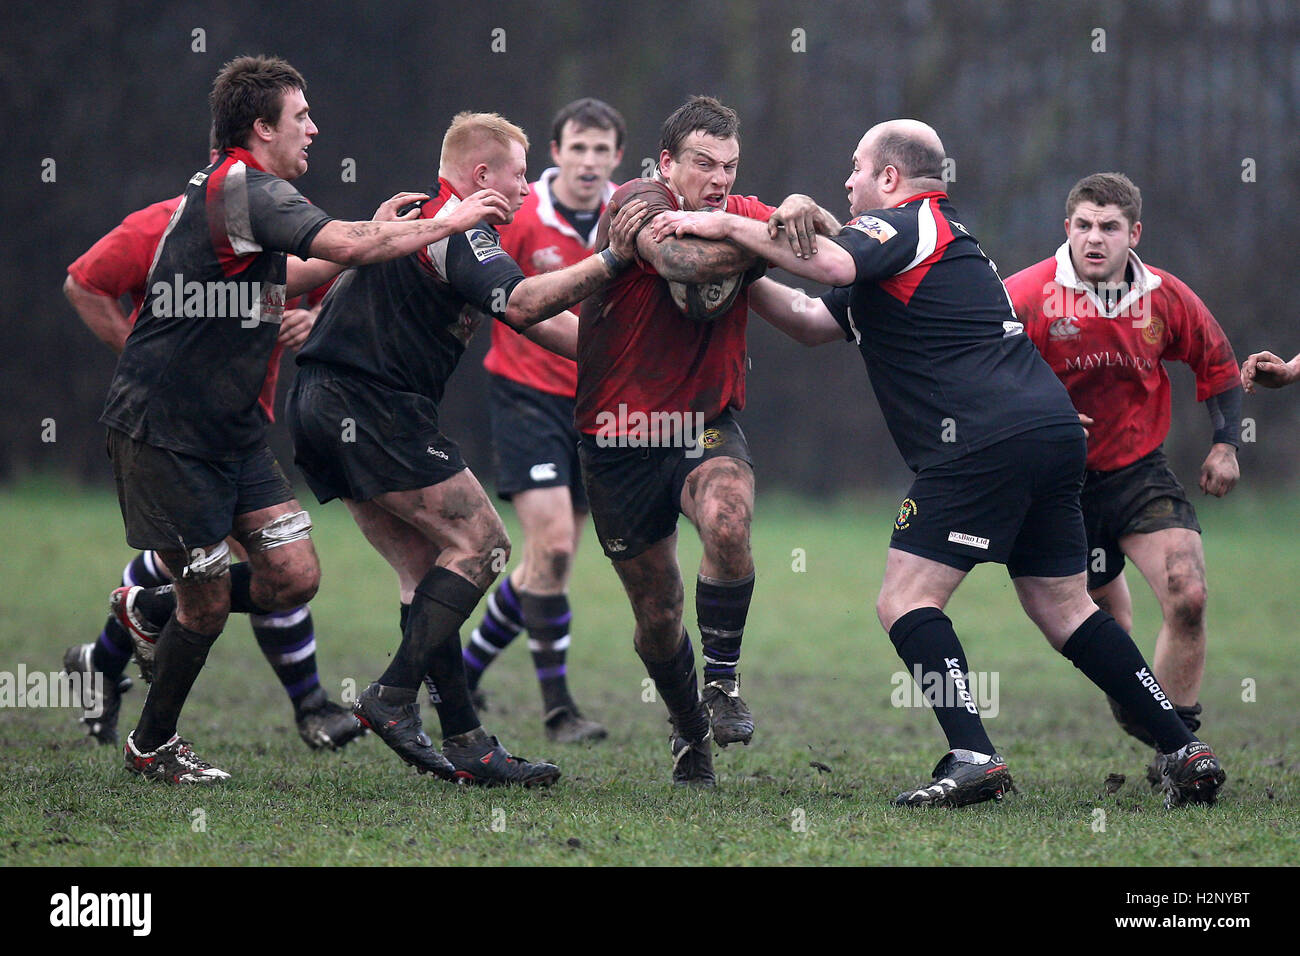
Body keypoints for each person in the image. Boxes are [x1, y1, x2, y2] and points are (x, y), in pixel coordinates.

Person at [654, 119, 1226, 808]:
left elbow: (830, 263)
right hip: (1047, 432)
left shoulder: (910, 224)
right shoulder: (912, 249)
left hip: (980, 443)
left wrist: (711, 223)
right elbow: (810, 318)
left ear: (891, 179)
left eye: (857, 167)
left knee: (905, 600)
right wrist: (742, 277)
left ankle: (974, 755)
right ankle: (1181, 745)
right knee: (1063, 605)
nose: (847, 181)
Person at [100, 55, 513, 784]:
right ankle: (151, 743)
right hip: (166, 431)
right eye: (301, 117)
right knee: (203, 605)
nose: (314, 130)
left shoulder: (239, 197)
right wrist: (439, 224)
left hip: (229, 432)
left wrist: (379, 233)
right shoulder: (245, 188)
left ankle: (147, 603)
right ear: (261, 128)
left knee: (292, 575)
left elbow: (296, 272)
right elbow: (346, 246)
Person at [285, 111, 649, 785]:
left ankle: (467, 742)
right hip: (370, 407)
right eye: (515, 174)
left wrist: (633, 365)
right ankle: (393, 697)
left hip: (321, 405)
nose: (522, 188)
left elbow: (543, 325)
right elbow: (520, 303)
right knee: (485, 544)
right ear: (482, 176)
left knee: (427, 572)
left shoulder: (424, 219)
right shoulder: (457, 229)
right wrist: (613, 259)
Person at [575, 95, 826, 786]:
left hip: (701, 421)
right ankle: (690, 732)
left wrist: (801, 205)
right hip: (618, 435)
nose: (718, 178)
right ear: (666, 163)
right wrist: (759, 240)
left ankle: (722, 683)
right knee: (657, 614)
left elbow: (828, 253)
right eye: (703, 163)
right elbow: (683, 260)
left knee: (729, 518)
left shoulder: (738, 212)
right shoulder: (635, 200)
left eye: (730, 166)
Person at [62, 181, 360, 752]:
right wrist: (147, 361)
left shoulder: (278, 226)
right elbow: (84, 283)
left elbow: (321, 282)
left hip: (242, 421)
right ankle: (307, 706)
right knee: (238, 560)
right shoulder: (159, 224)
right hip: (173, 429)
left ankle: (101, 660)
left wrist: (313, 323)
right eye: (298, 118)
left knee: (232, 559)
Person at [1003, 173, 1241, 776]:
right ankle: (1141, 702)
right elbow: (981, 375)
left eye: (1109, 227)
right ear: (1067, 230)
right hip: (1057, 487)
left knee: (1189, 595)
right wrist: (1044, 415)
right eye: (1083, 225)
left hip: (1139, 474)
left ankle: (1179, 748)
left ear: (1134, 234)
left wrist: (1225, 444)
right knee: (1106, 625)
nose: (1094, 238)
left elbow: (1217, 362)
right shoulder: (1027, 295)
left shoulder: (1165, 296)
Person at [466, 97, 626, 744]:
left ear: (618, 156)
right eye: (577, 147)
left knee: (546, 564)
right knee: (554, 546)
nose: (589, 160)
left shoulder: (633, 215)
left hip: (598, 405)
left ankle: (464, 664)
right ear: (555, 154)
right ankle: (558, 710)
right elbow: (469, 273)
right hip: (525, 393)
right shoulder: (522, 214)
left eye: (601, 148)